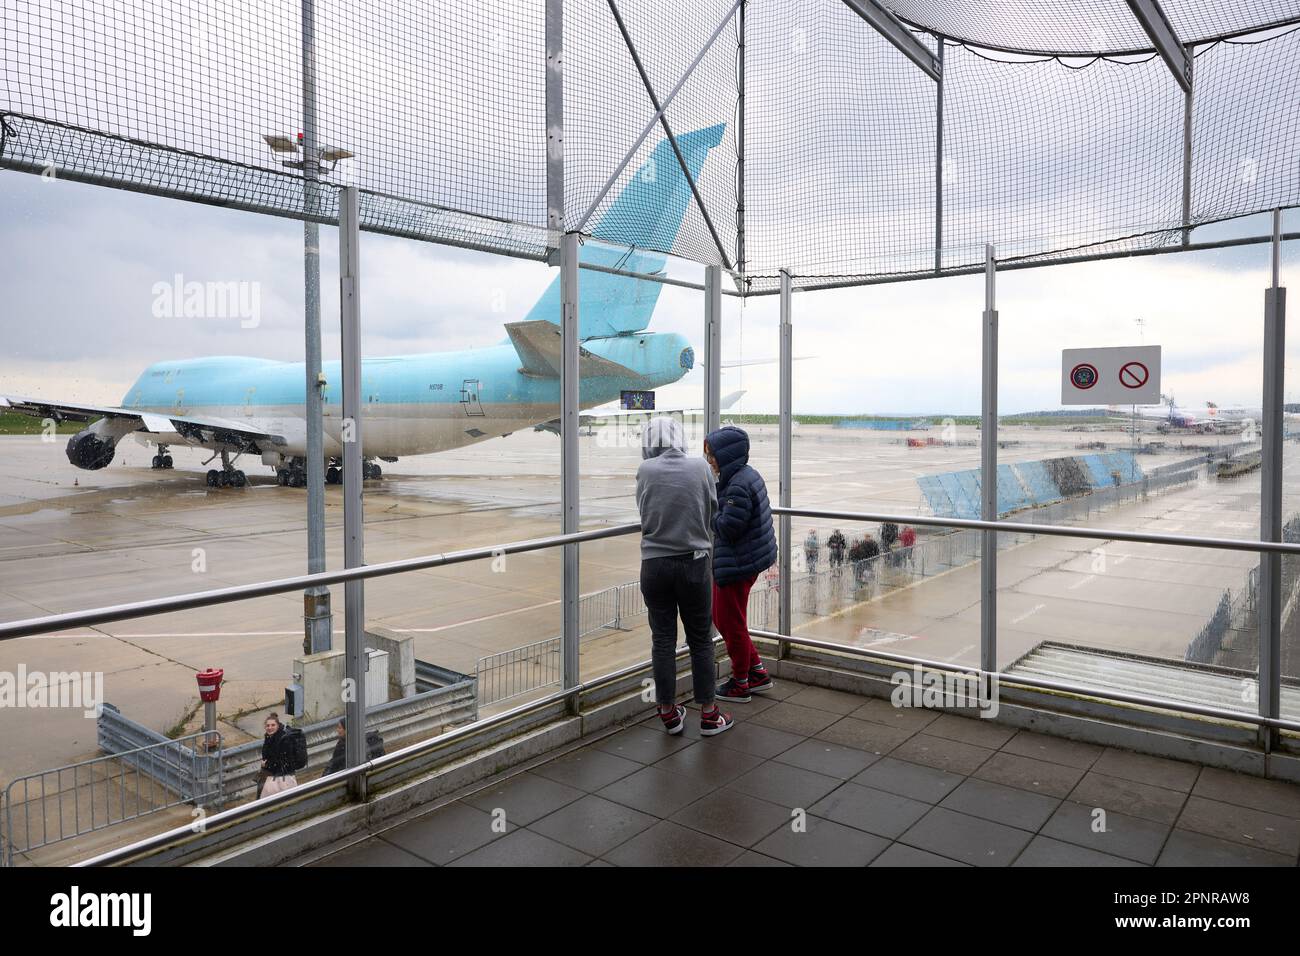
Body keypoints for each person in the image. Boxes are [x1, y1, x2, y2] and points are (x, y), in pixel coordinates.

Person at [636, 417, 733, 736]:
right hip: (693, 563)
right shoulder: (700, 469)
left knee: (662, 639)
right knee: (700, 640)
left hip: (655, 565)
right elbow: (713, 509)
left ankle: (667, 712)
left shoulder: (645, 470)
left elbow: (643, 510)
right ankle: (709, 713)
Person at [705, 425, 778, 703]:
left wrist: (707, 511)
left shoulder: (736, 485)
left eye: (713, 455)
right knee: (729, 619)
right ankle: (756, 672)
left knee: (728, 622)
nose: (710, 460)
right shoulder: (745, 476)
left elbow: (728, 528)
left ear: (726, 455)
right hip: (747, 559)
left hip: (737, 563)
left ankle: (740, 682)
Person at [259, 712, 298, 798]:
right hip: (274, 776)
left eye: (273, 725)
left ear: (278, 725)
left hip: (283, 778)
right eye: (268, 725)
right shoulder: (269, 738)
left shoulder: (283, 739)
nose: (270, 728)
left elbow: (283, 760)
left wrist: (266, 764)